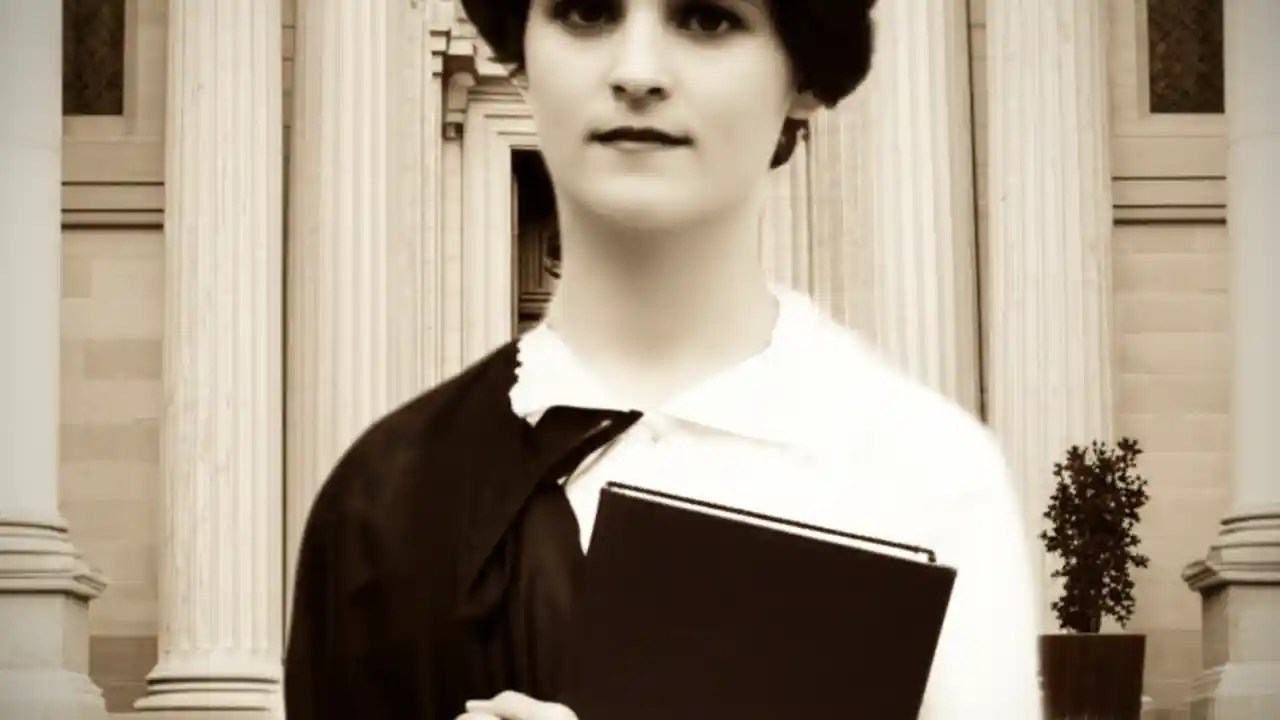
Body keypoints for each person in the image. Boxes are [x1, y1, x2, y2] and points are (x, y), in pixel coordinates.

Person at [284, 0, 1045, 718]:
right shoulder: (381, 498)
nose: (637, 71)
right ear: (522, 56)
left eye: (707, 17)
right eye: (587, 11)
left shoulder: (935, 479)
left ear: (804, 79)